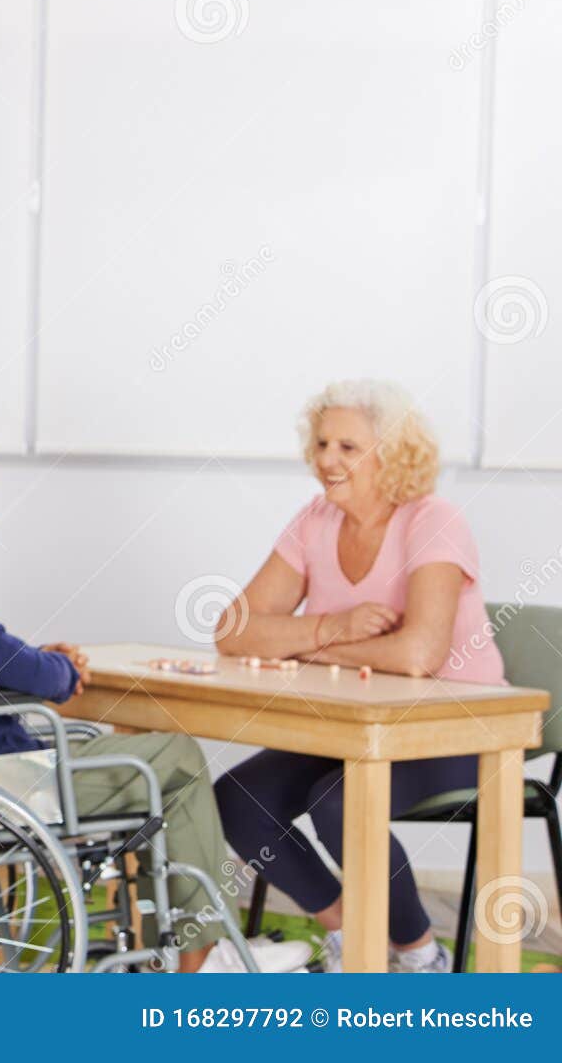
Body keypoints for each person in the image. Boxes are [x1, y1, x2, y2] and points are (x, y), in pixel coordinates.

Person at [0, 445, 310, 972]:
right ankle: (204, 955)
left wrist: (40, 662)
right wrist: (58, 669)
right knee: (177, 759)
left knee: (150, 763)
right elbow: (22, 671)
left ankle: (183, 944)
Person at [213, 378, 504, 972]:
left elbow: (418, 654)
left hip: (460, 728)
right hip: (355, 727)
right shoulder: (314, 521)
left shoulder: (433, 520)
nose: (326, 460)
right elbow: (233, 630)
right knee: (238, 800)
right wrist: (334, 627)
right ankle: (356, 937)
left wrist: (311, 650)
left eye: (348, 447)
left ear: (393, 452)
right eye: (321, 444)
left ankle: (421, 957)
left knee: (340, 800)